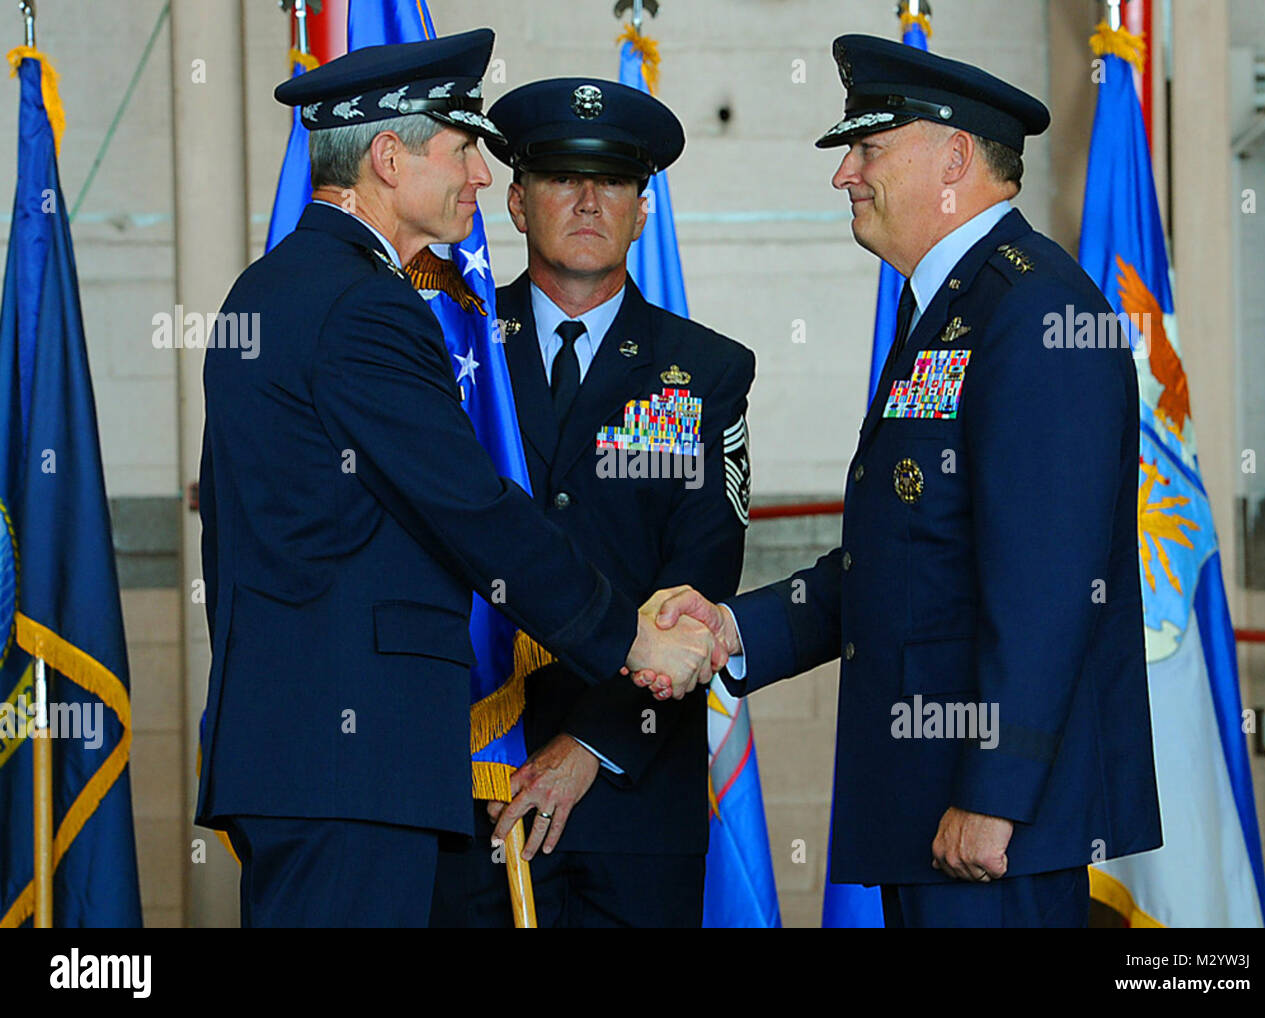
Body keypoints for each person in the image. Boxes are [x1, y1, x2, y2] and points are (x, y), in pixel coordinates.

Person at [194, 30, 714, 928]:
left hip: (310, 756)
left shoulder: (275, 288)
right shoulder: (365, 306)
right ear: (388, 158)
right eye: (462, 147)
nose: (481, 174)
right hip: (349, 766)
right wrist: (628, 636)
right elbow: (470, 507)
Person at [643, 35, 1161, 928]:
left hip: (996, 824)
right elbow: (904, 561)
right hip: (930, 804)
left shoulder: (1039, 312)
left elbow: (1048, 583)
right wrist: (734, 629)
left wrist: (996, 791)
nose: (845, 173)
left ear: (954, 157)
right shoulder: (954, 310)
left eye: (869, 148)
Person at [429, 78, 755, 928]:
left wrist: (590, 746)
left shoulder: (708, 371)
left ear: (642, 209)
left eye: (610, 179)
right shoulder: (447, 353)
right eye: (560, 177)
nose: (585, 200)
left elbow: (702, 577)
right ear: (515, 200)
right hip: (468, 784)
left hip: (633, 798)